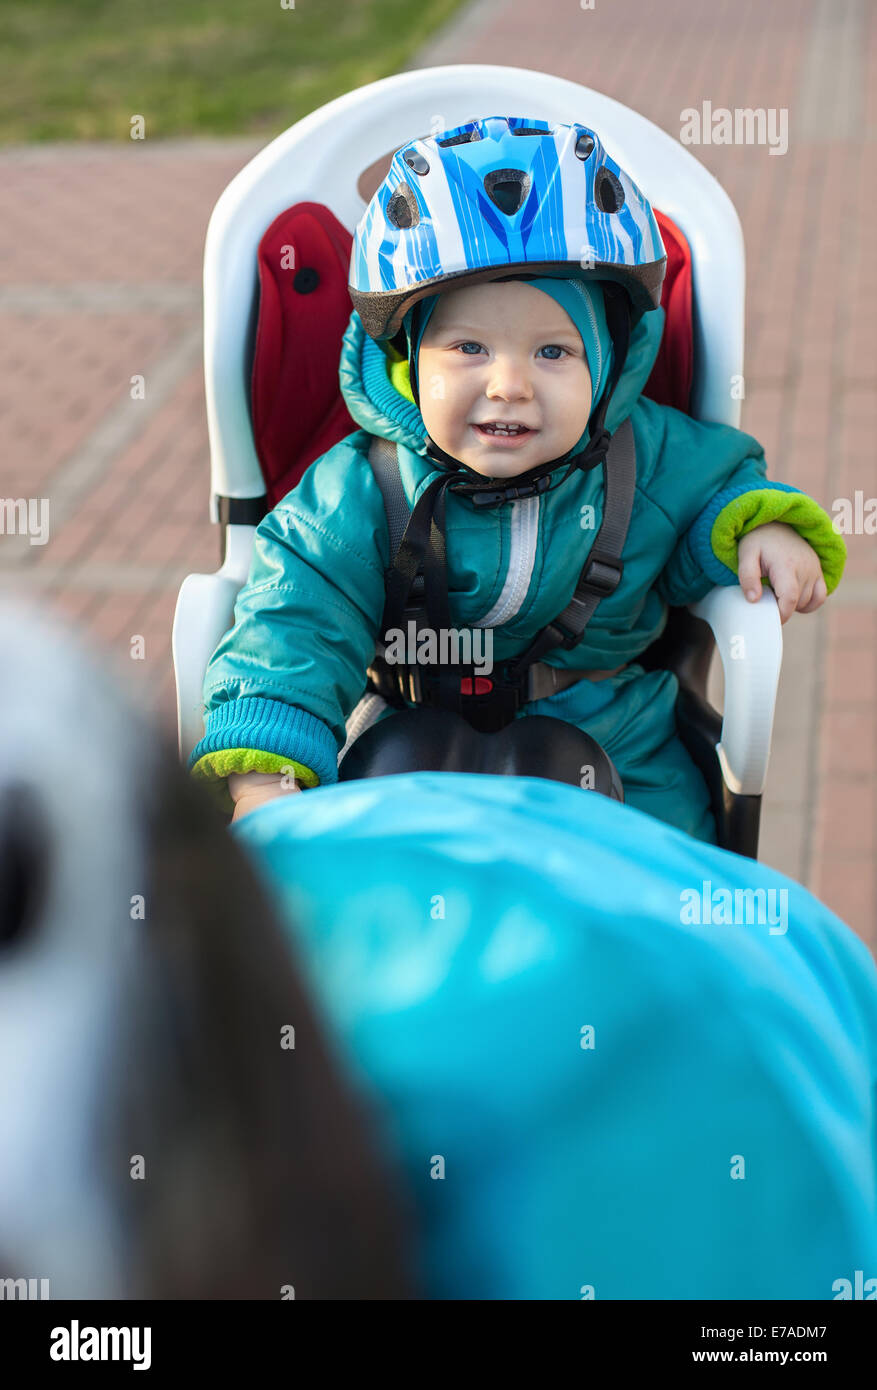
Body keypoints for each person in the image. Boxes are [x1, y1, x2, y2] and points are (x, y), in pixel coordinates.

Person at [188, 116, 845, 840]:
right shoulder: (359, 494)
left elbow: (715, 492)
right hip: (405, 730)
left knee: (667, 894)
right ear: (407, 359)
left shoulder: (646, 456)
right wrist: (266, 778)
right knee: (350, 897)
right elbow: (292, 626)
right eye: (468, 346)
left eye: (554, 353)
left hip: (619, 735)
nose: (508, 385)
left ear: (609, 363)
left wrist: (760, 526)